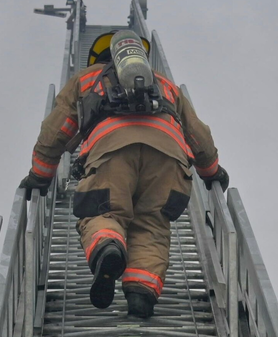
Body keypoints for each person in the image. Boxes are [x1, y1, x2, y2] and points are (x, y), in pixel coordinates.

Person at [19, 28, 226, 319]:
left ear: (96, 59)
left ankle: (108, 247)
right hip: (169, 159)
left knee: (105, 212)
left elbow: (56, 131)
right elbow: (198, 134)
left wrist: (40, 174)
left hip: (112, 153)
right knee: (152, 225)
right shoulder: (165, 84)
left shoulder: (87, 79)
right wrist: (211, 170)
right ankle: (141, 293)